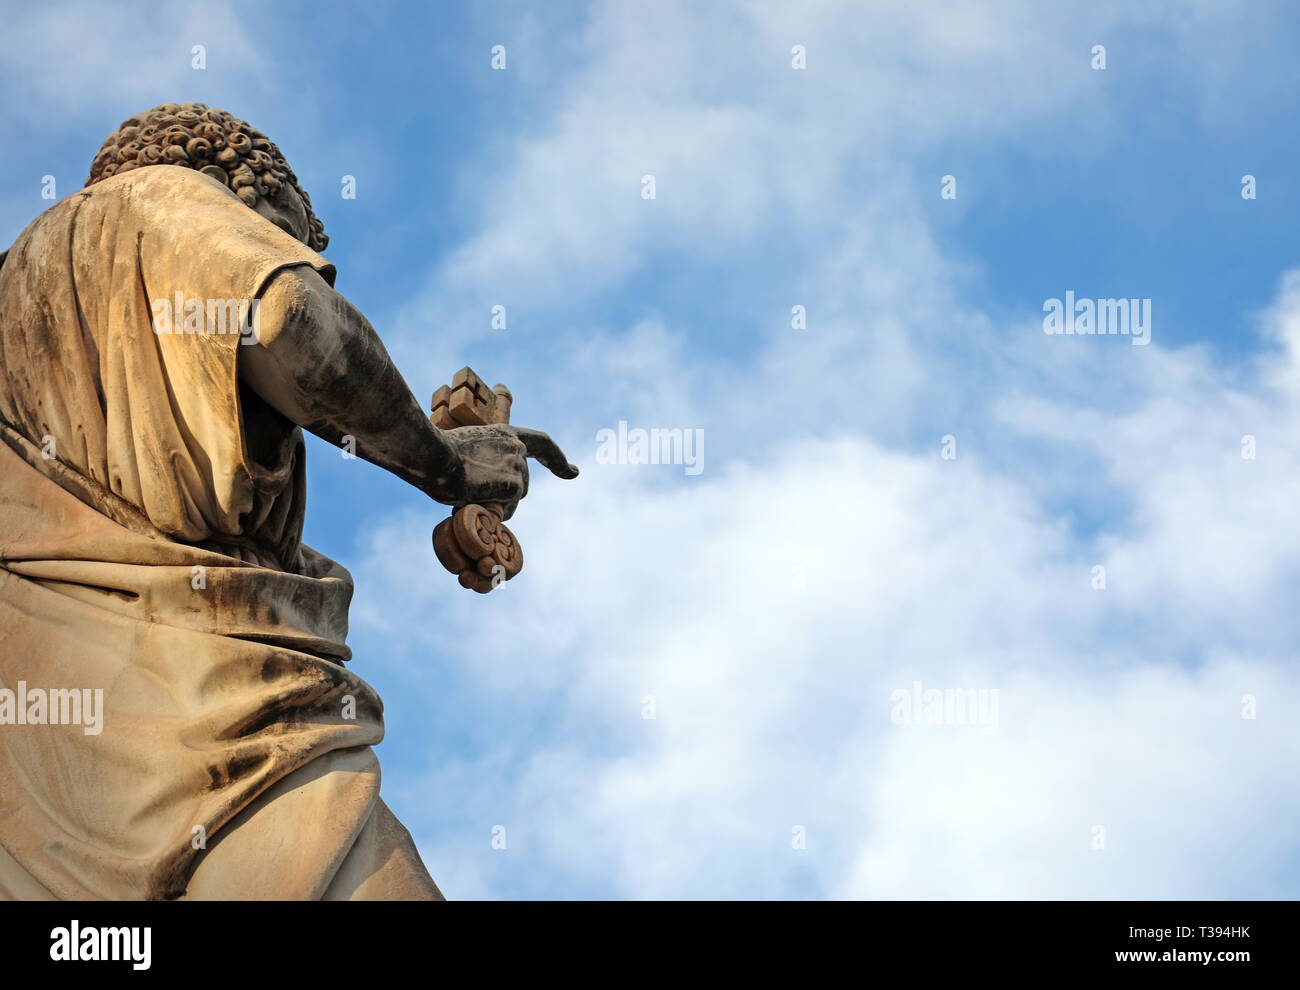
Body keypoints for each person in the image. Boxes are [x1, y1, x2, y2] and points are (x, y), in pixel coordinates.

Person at [0, 102, 577, 900]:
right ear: (239, 183)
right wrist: (448, 467)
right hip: (223, 750)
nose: (302, 251)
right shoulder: (158, 200)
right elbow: (293, 322)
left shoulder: (13, 300)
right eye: (291, 229)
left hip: (41, 785)